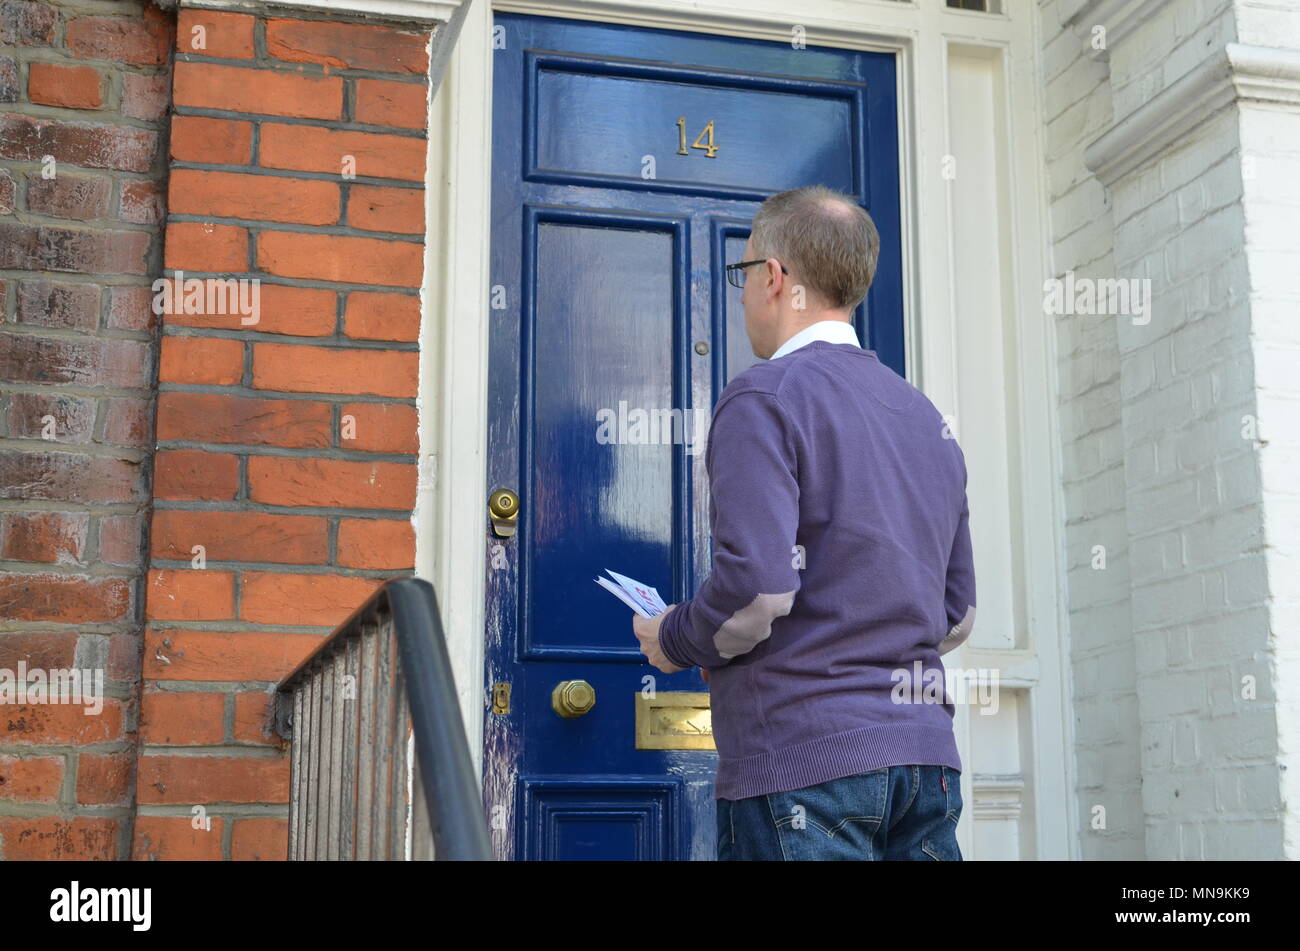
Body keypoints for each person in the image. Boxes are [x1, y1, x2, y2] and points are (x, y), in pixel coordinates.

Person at [631, 185, 976, 861]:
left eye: (745, 273)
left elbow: (757, 592)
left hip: (803, 766)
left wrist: (676, 637)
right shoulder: (925, 418)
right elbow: (957, 614)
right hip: (926, 764)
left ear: (774, 277)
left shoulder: (765, 396)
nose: (741, 295)